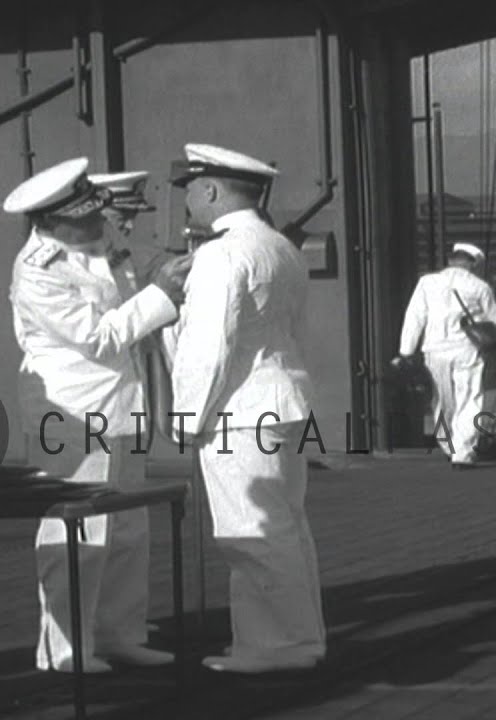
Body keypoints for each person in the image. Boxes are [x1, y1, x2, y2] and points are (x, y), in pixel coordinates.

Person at [6, 157, 194, 674]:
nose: (97, 226)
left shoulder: (97, 237)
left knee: (129, 529)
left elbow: (140, 266)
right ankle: (64, 649)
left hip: (121, 408)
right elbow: (98, 336)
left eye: (96, 215)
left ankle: (120, 634)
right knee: (76, 535)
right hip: (69, 416)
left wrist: (166, 269)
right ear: (49, 223)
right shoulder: (39, 272)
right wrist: (163, 295)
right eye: (84, 220)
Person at [166, 142, 326, 673]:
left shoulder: (221, 253)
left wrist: (185, 420)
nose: (187, 200)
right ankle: (286, 638)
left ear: (211, 190)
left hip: (239, 409)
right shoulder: (281, 247)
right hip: (284, 400)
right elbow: (292, 331)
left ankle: (280, 647)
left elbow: (208, 347)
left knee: (251, 532)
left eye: (190, 189)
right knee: (286, 527)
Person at [392, 242, 496, 469]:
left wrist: (405, 351)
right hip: (467, 350)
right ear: (473, 264)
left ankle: (449, 446)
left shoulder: (427, 282)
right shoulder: (479, 286)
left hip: (435, 351)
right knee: (470, 399)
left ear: (451, 260)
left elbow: (415, 317)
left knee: (442, 401)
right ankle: (462, 453)